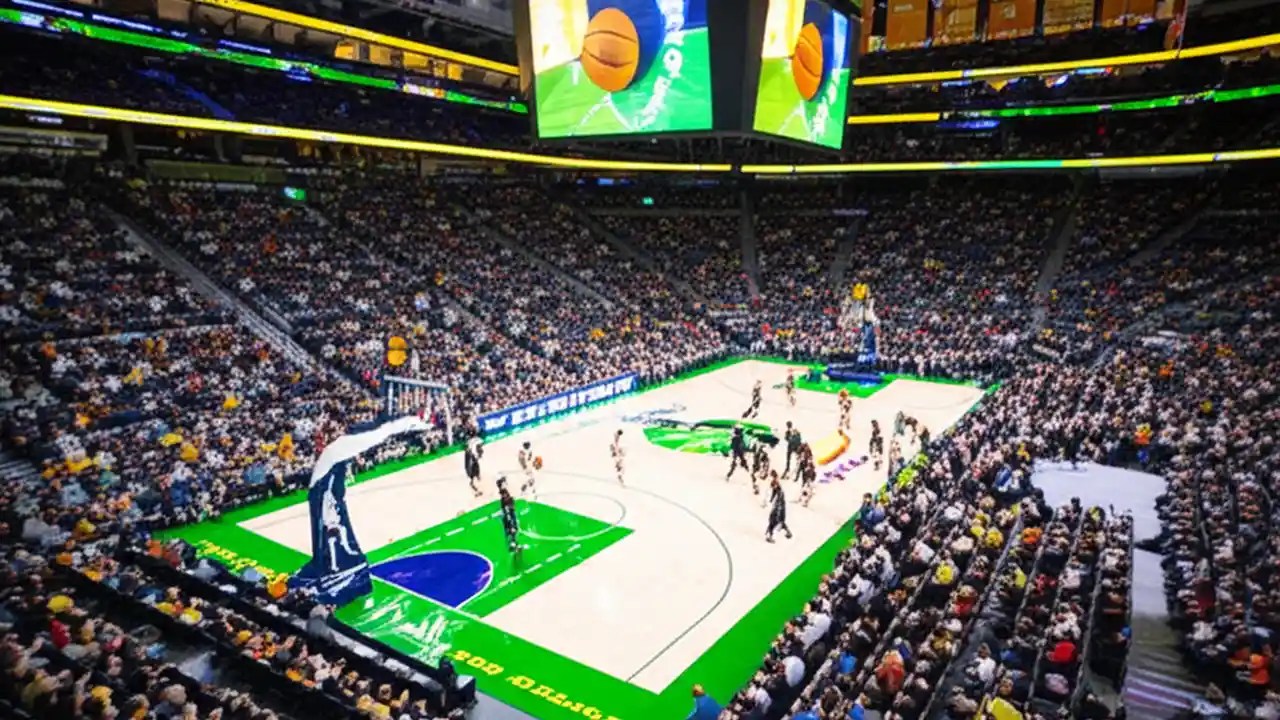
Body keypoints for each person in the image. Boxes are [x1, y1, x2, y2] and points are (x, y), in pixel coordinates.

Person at [765, 472, 792, 542]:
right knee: (778, 521)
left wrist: (775, 507)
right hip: (779, 507)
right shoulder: (777, 489)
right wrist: (771, 501)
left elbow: (779, 500)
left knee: (776, 522)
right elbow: (773, 495)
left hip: (779, 508)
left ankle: (773, 538)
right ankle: (787, 532)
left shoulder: (780, 491)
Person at [497, 478, 520, 553]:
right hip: (508, 517)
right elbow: (507, 510)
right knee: (511, 530)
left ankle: (514, 544)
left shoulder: (506, 498)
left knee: (512, 530)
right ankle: (512, 544)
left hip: (509, 515)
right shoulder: (504, 500)